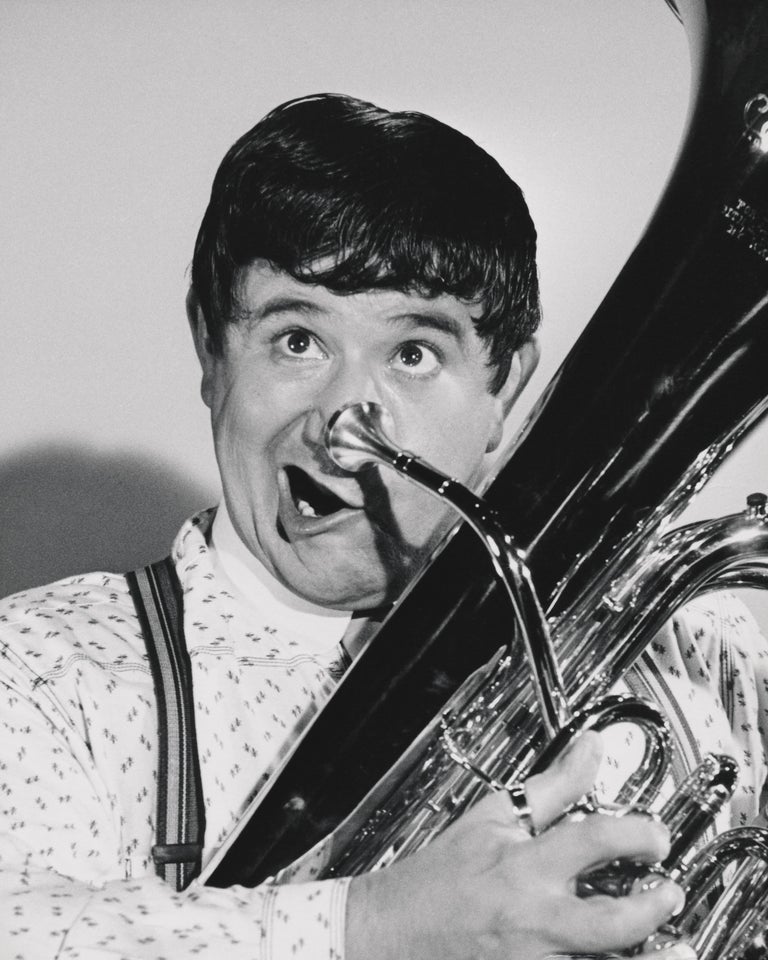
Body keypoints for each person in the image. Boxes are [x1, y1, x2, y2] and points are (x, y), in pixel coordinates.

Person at [1, 93, 766, 960]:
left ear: (504, 390)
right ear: (212, 353)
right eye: (297, 340)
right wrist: (372, 926)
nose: (344, 422)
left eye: (413, 353)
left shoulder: (692, 644)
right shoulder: (41, 669)